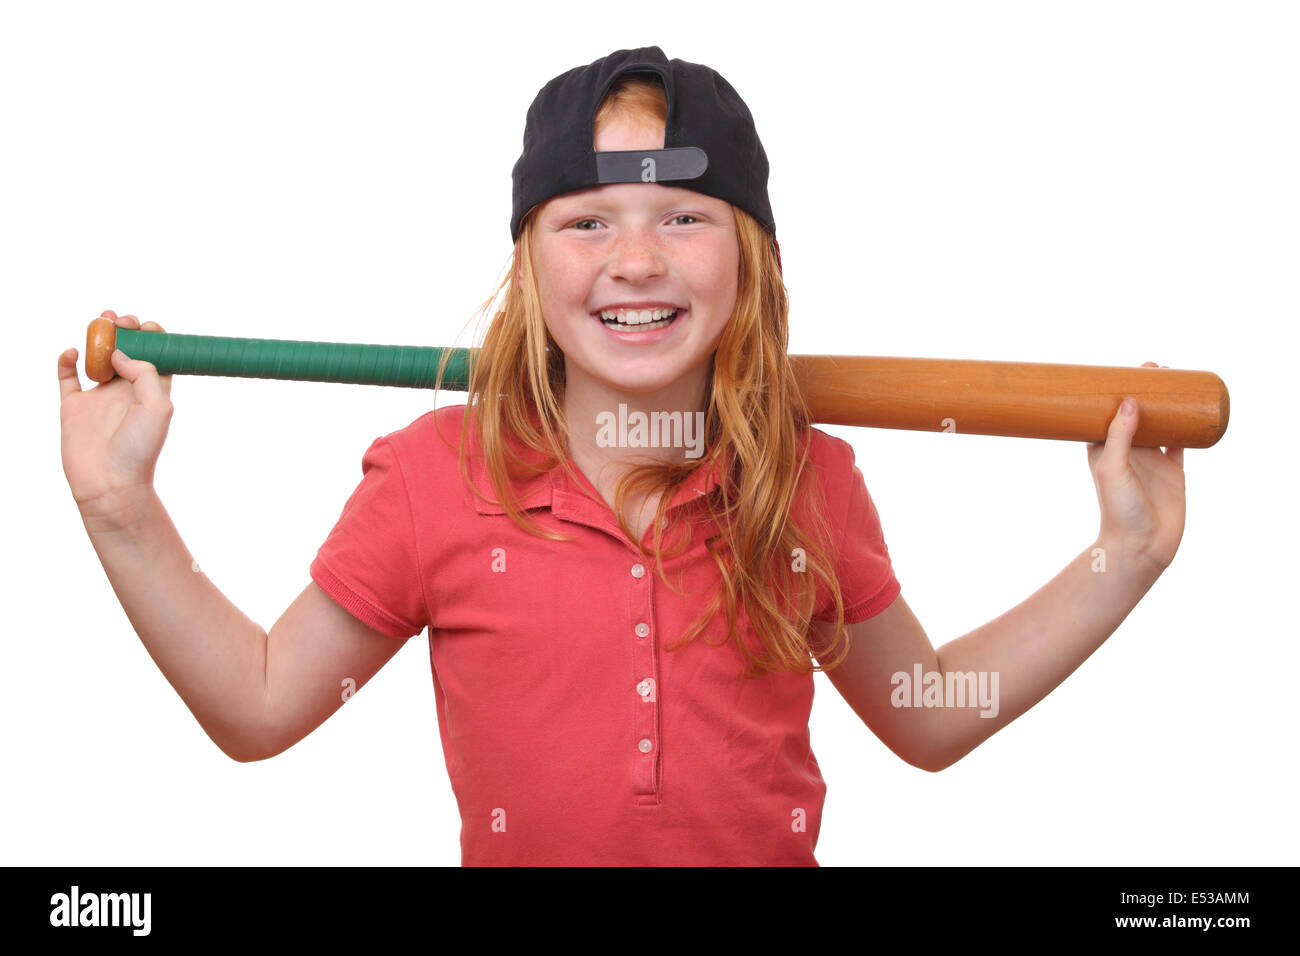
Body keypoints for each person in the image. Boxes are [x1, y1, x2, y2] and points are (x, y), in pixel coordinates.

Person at [57, 46, 1187, 866]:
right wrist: (121, 508)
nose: (635, 257)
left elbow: (930, 712)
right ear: (530, 266)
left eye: (684, 216)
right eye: (586, 220)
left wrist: (1120, 556)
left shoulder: (808, 480)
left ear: (750, 260)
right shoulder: (436, 477)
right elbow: (258, 708)